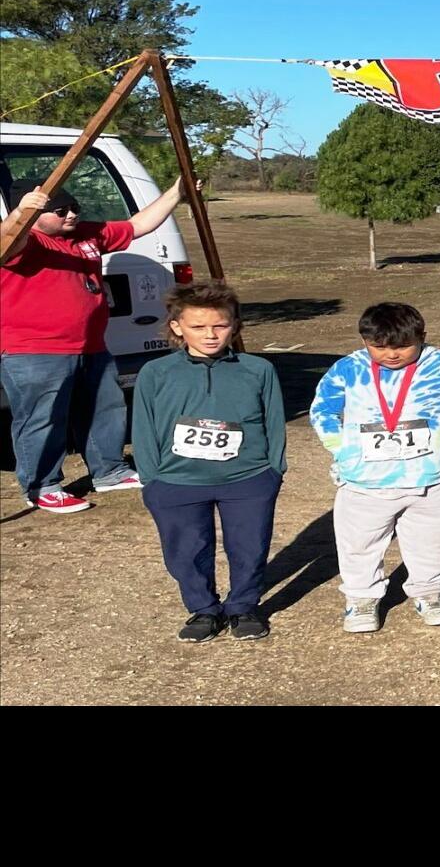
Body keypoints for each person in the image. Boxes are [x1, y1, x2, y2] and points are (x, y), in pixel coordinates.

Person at [1, 177, 196, 513]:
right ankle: (41, 485)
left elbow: (138, 224)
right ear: (33, 216)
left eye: (74, 206)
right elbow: (4, 244)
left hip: (92, 344)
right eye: (59, 211)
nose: (71, 215)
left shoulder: (86, 234)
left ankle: (109, 471)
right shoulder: (23, 242)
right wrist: (19, 214)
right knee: (42, 418)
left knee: (105, 409)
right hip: (35, 350)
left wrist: (177, 192)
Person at [309, 303, 440, 633]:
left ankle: (430, 594)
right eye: (378, 346)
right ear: (364, 340)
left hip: (430, 480)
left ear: (422, 337)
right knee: (359, 545)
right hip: (365, 483)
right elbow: (323, 410)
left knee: (431, 542)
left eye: (402, 346)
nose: (391, 354)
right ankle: (361, 600)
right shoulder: (346, 369)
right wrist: (342, 451)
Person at [131, 283, 285, 643]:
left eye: (220, 325)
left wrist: (272, 470)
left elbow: (274, 421)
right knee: (185, 550)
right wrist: (152, 478)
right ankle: (203, 608)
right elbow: (144, 426)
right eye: (198, 327)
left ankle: (243, 606)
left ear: (235, 326)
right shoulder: (156, 373)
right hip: (176, 481)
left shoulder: (258, 369)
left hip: (247, 478)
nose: (211, 335)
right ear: (176, 327)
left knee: (249, 546)